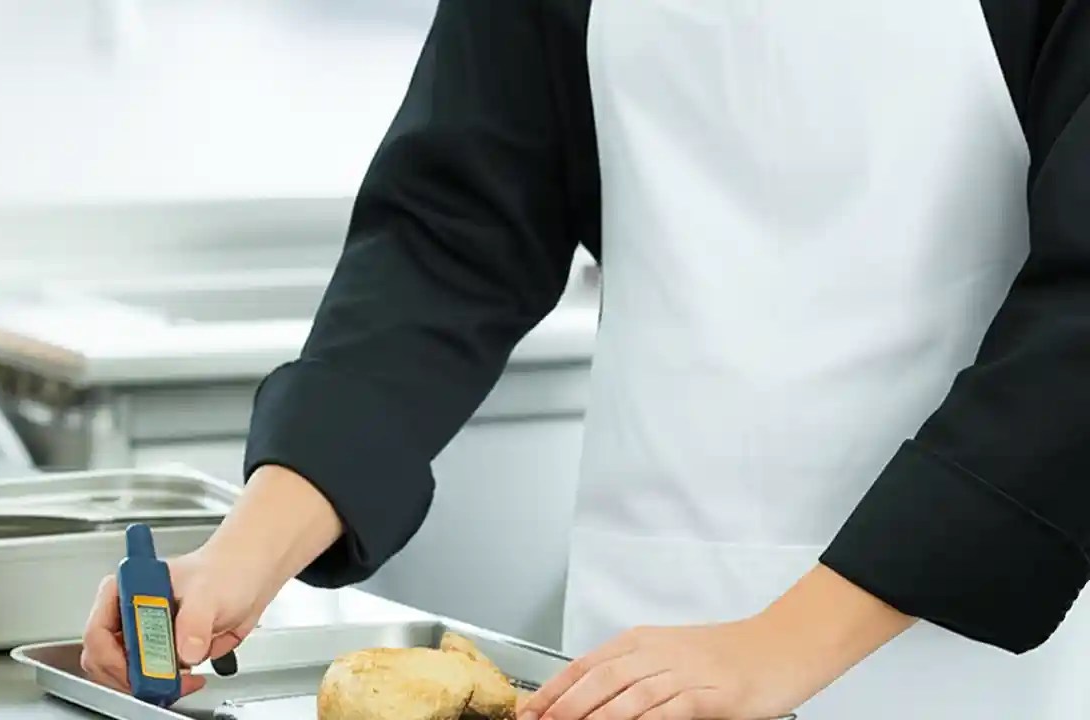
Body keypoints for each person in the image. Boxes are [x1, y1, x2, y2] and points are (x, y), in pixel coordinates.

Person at [81, 2, 1090, 718]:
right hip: (625, 646)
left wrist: (776, 649)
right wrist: (247, 555)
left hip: (963, 659)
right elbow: (449, 237)